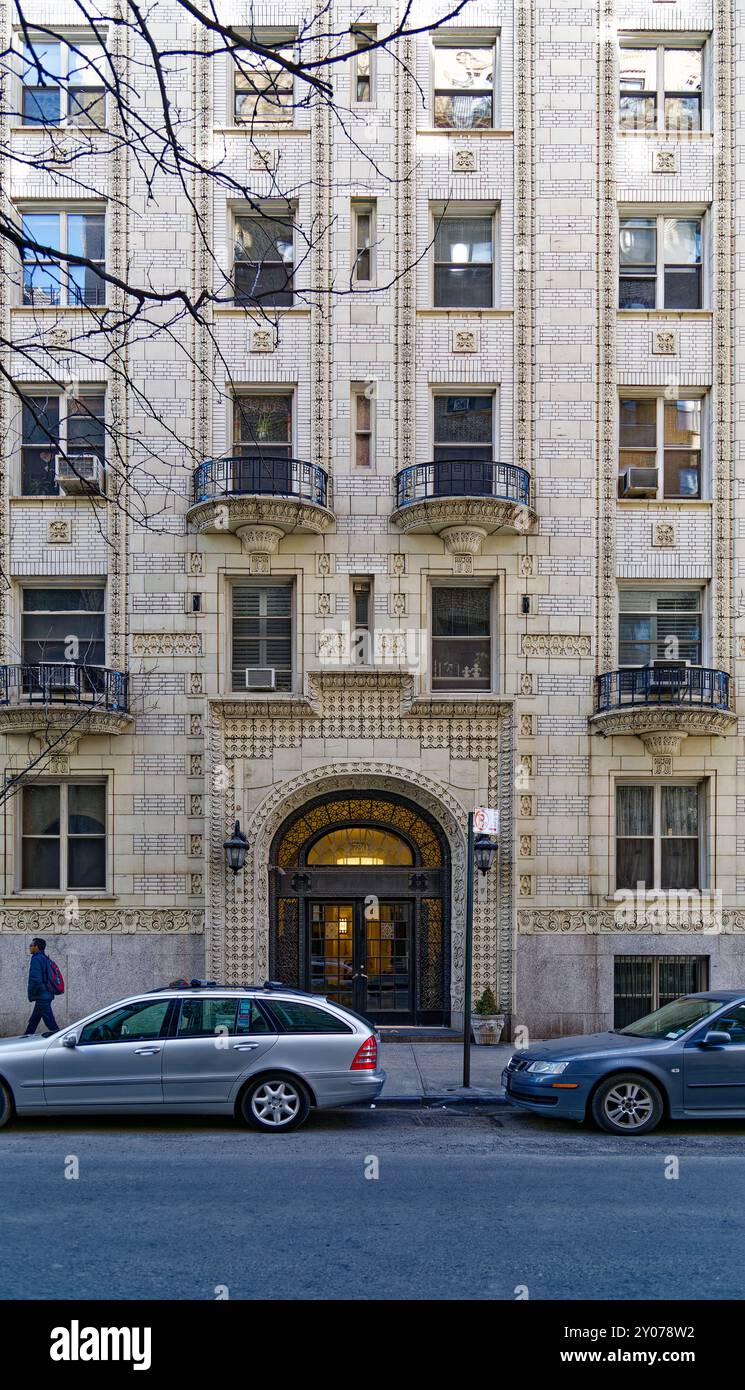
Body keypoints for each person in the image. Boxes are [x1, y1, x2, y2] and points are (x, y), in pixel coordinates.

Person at [24, 937, 59, 1035]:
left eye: (31, 945)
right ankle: (26, 1037)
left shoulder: (36, 959)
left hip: (42, 996)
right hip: (46, 994)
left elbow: (36, 980)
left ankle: (61, 1039)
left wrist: (32, 993)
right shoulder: (45, 958)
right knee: (34, 1021)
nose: (29, 947)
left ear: (37, 947)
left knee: (51, 1024)